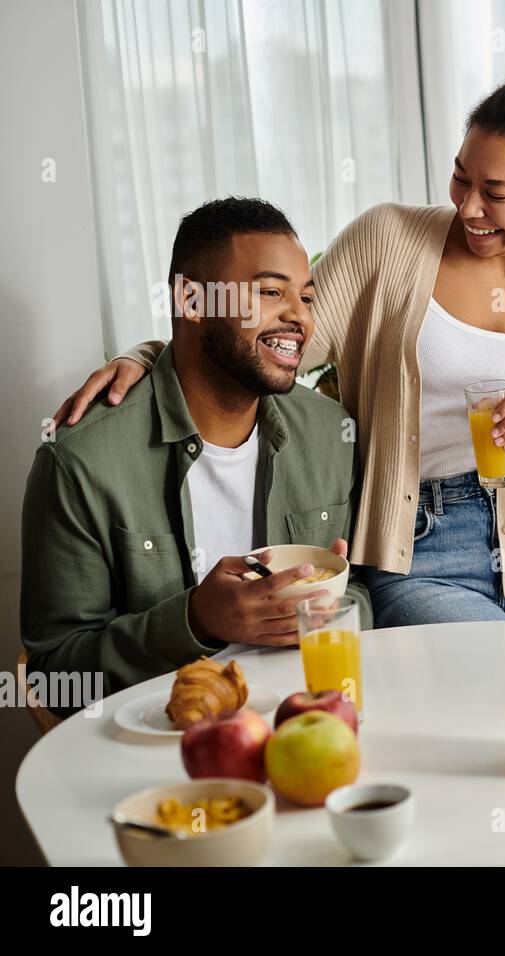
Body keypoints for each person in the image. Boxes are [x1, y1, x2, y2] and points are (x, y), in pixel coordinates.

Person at [55, 33, 505, 627]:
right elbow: (275, 339)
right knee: (489, 699)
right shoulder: (388, 242)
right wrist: (154, 355)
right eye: (461, 178)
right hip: (420, 552)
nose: (468, 206)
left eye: (496, 193)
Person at [23, 197, 371, 711]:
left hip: (312, 717)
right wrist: (193, 622)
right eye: (271, 292)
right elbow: (56, 674)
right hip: (165, 743)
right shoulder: (80, 462)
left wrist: (330, 607)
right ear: (191, 300)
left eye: (307, 297)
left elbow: (362, 590)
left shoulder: (330, 432)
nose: (300, 317)